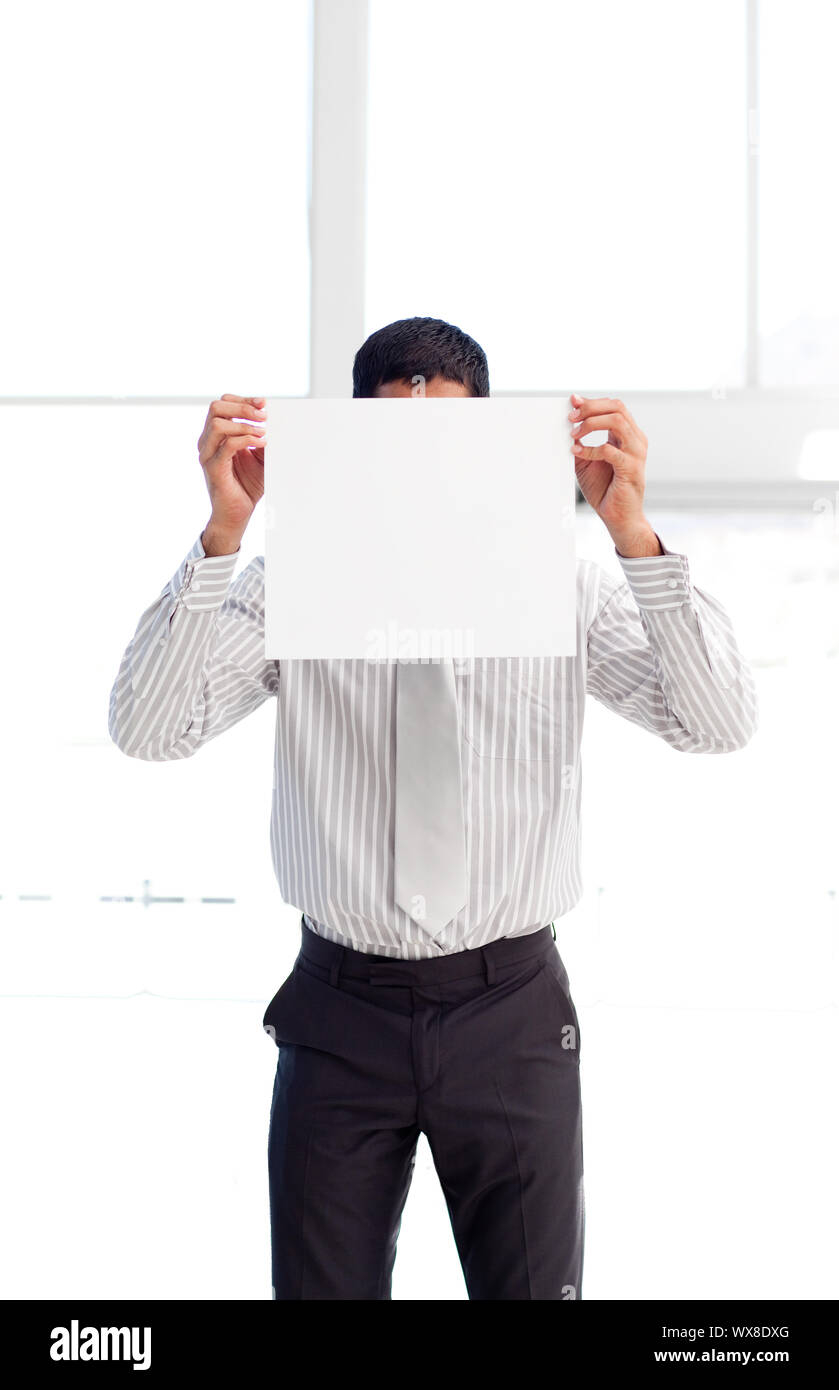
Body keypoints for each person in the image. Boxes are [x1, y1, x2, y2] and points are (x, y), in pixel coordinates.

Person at [108, 316, 758, 1301]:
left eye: (448, 448)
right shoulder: (292, 591)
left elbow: (716, 723)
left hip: (512, 1012)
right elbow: (150, 730)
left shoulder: (564, 592)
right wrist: (223, 536)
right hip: (338, 1012)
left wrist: (632, 534)